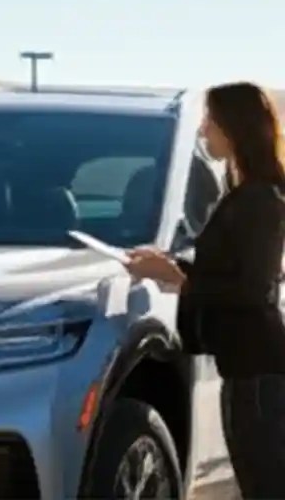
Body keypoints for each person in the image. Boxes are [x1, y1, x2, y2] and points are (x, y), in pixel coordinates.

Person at [126, 81, 285, 499]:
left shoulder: (260, 201)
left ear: (234, 128)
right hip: (244, 368)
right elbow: (230, 272)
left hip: (258, 372)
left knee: (266, 485)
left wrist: (180, 278)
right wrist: (169, 265)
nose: (203, 131)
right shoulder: (247, 195)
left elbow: (252, 289)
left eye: (210, 122)